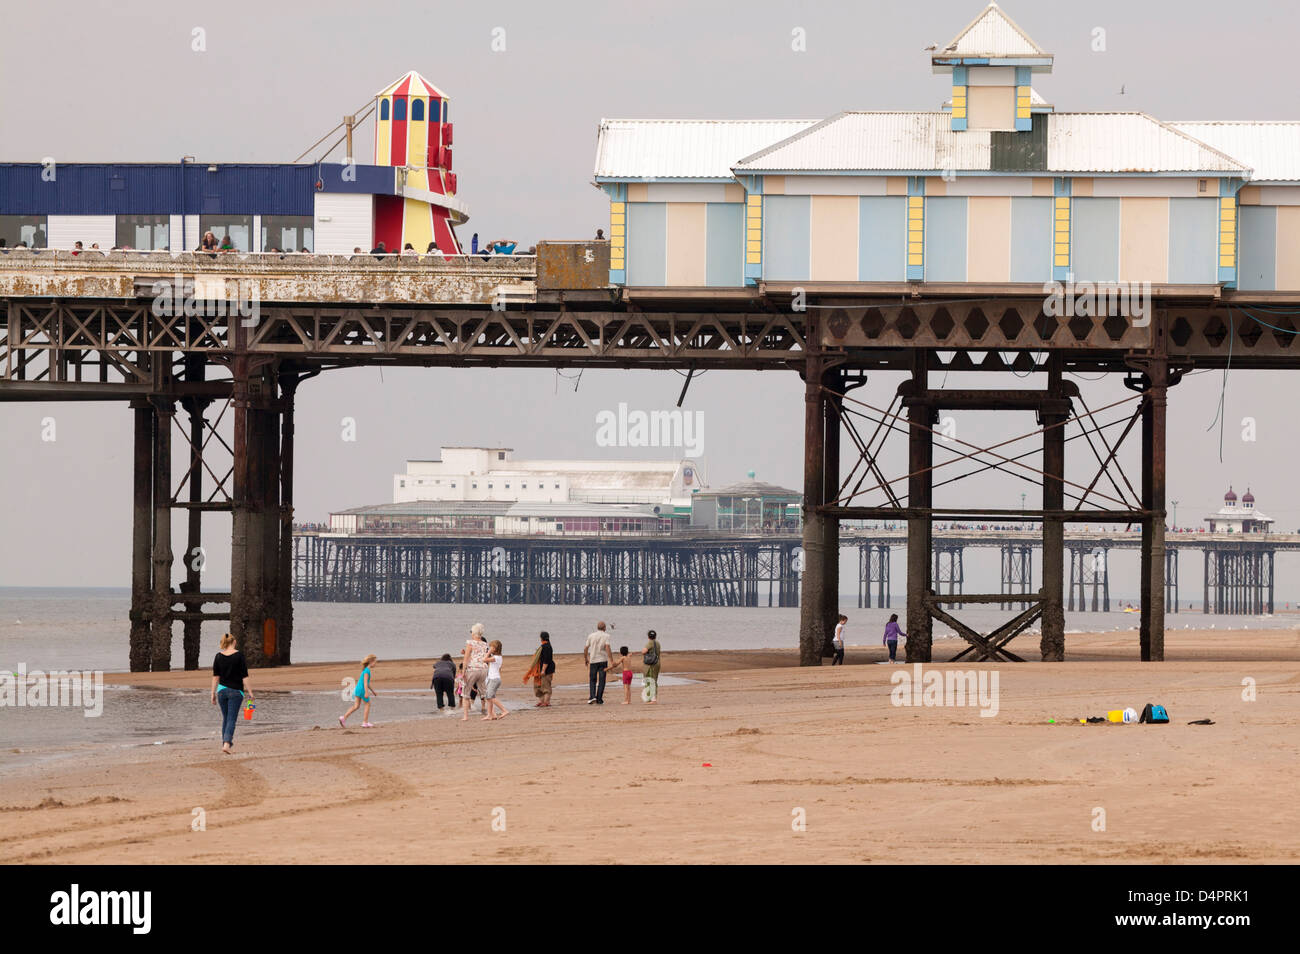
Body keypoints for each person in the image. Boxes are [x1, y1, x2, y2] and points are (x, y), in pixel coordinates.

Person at [210, 633, 253, 754]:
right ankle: (227, 743)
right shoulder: (239, 656)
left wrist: (212, 693)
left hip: (221, 691)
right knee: (231, 719)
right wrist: (250, 692)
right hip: (236, 691)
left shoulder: (218, 656)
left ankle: (225, 743)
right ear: (234, 642)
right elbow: (244, 676)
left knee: (226, 718)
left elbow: (215, 677)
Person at [461, 623, 491, 721]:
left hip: (473, 669)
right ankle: (491, 713)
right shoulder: (485, 644)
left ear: (474, 633)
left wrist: (463, 671)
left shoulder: (470, 643)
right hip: (484, 669)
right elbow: (481, 656)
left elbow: (466, 659)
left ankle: (465, 716)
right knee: (484, 693)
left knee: (466, 693)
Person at [340, 654, 377, 727]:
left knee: (356, 706)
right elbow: (365, 683)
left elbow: (367, 683)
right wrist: (366, 692)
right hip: (362, 690)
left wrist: (373, 691)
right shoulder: (367, 671)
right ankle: (365, 722)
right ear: (371, 662)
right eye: (375, 662)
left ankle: (343, 718)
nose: (376, 664)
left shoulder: (365, 670)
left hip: (358, 689)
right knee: (368, 704)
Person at [583, 621, 612, 704]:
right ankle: (599, 699)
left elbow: (586, 648)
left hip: (593, 660)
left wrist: (586, 658)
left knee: (592, 679)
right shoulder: (606, 636)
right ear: (604, 628)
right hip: (603, 660)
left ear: (597, 627)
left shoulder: (591, 636)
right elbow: (607, 647)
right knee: (602, 680)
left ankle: (592, 696)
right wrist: (611, 659)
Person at [481, 640, 509, 721]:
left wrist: (489, 652)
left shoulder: (496, 658)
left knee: (490, 696)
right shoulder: (496, 657)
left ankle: (504, 710)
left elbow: (484, 660)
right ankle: (490, 715)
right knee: (488, 697)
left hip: (494, 679)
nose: (490, 648)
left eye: (491, 647)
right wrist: (489, 652)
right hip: (492, 678)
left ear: (495, 648)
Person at [525, 631, 555, 707]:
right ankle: (542, 701)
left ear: (541, 638)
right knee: (538, 687)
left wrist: (543, 670)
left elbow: (546, 660)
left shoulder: (546, 647)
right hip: (539, 670)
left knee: (546, 687)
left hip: (546, 670)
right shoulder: (543, 646)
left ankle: (546, 702)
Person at [641, 630, 662, 703]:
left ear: (648, 636)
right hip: (657, 662)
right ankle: (654, 697)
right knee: (654, 680)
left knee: (649, 680)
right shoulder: (658, 643)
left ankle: (651, 698)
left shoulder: (650, 643)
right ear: (655, 636)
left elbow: (643, 651)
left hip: (651, 664)